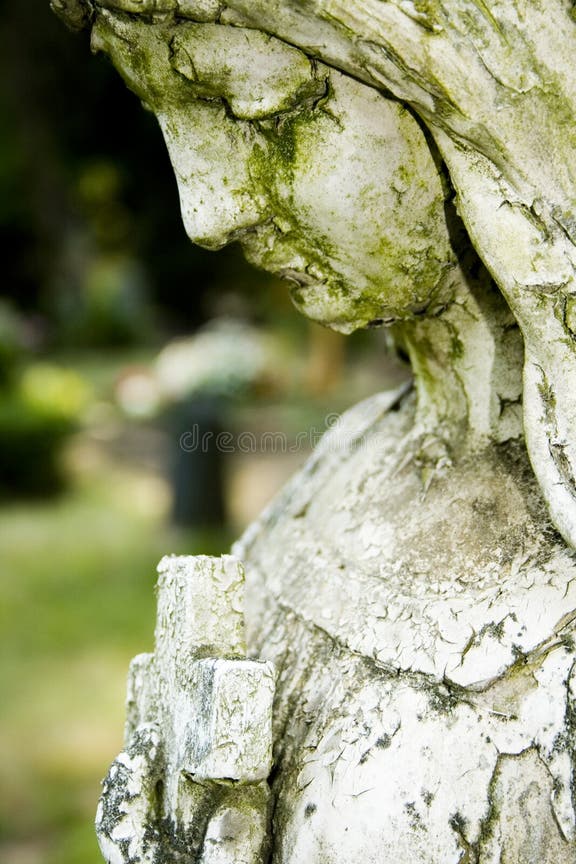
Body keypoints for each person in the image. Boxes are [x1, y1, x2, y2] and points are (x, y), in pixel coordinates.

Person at [62, 3, 576, 861]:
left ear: (467, 101)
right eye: (167, 118)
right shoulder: (344, 459)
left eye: (256, 108)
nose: (207, 212)